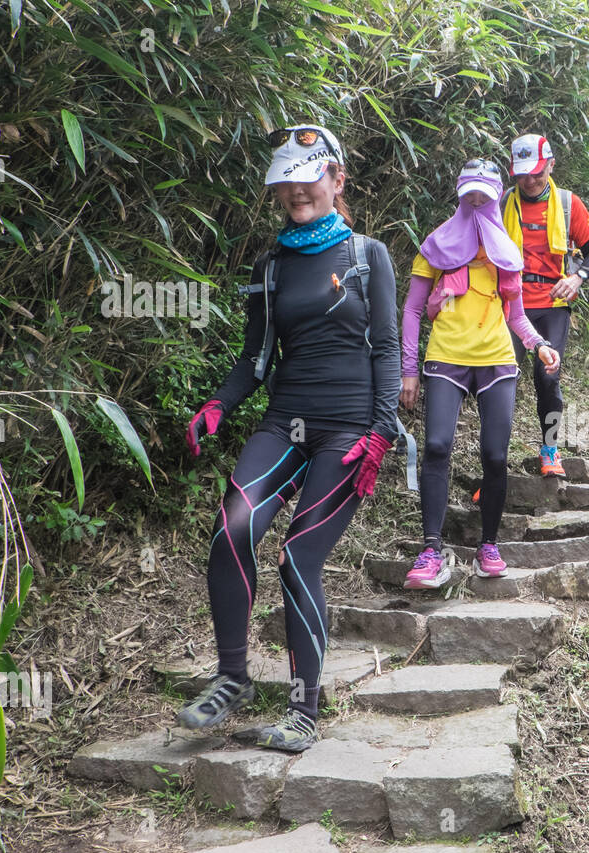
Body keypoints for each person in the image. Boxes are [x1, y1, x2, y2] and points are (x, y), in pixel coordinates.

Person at [177, 124, 400, 752]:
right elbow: (256, 358)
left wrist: (381, 431)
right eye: (288, 184)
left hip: (350, 430)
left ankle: (303, 712)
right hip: (285, 421)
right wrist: (220, 403)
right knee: (233, 528)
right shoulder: (270, 266)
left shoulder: (367, 255)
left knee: (298, 557)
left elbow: (386, 346)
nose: (298, 192)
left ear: (336, 180)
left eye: (310, 180)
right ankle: (232, 679)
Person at [399, 158, 560, 587]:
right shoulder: (436, 244)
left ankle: (488, 545)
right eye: (468, 195)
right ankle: (431, 551)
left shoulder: (506, 251)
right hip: (446, 357)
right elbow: (413, 309)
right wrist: (408, 370)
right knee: (435, 446)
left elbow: (517, 316)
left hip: (496, 360)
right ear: (459, 196)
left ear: (493, 200)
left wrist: (539, 344)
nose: (475, 203)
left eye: (483, 197)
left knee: (495, 456)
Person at [502, 133, 589, 476]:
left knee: (548, 376)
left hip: (552, 305)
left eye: (537, 174)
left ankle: (550, 449)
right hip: (510, 304)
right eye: (523, 175)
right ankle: (496, 459)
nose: (530, 182)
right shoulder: (500, 204)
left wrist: (577, 279)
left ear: (551, 165)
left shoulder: (569, 204)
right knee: (501, 377)